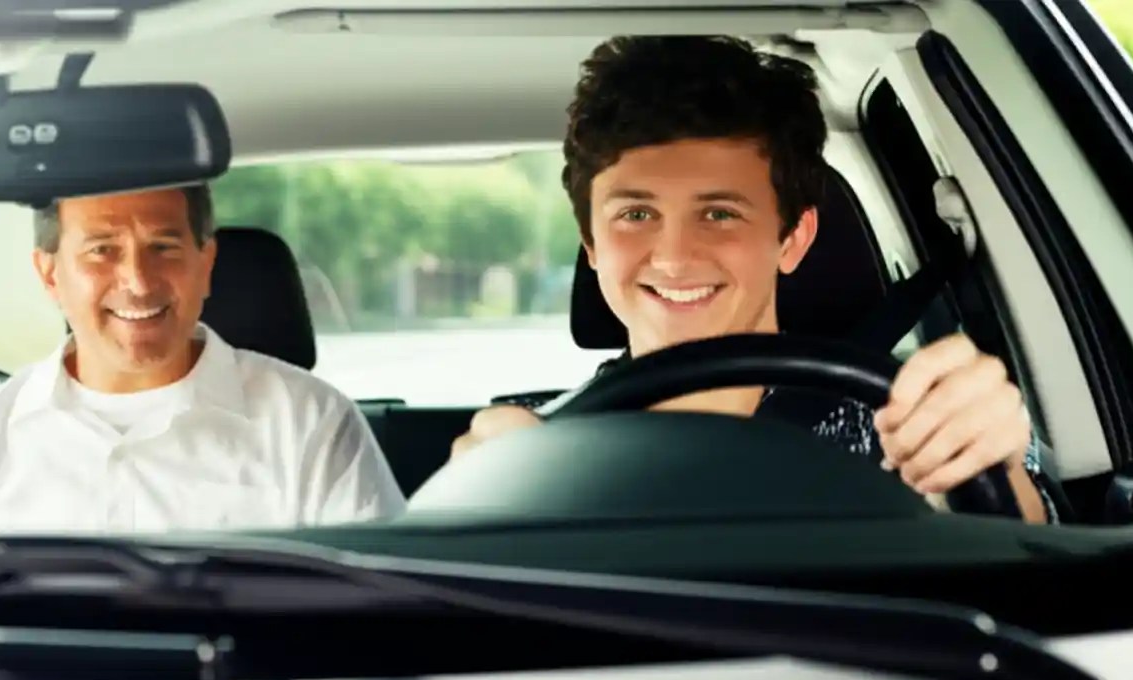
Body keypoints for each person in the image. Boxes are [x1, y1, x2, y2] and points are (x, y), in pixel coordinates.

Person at [451, 35, 1058, 523]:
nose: (674, 256)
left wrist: (987, 475)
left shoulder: (909, 425)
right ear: (591, 244)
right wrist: (474, 510)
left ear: (792, 238)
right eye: (636, 215)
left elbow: (1037, 590)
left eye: (719, 214)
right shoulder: (529, 448)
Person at [0, 184, 405, 547]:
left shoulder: (312, 427)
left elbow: (380, 627)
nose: (137, 280)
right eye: (102, 250)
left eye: (163, 246)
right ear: (50, 277)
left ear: (206, 265)